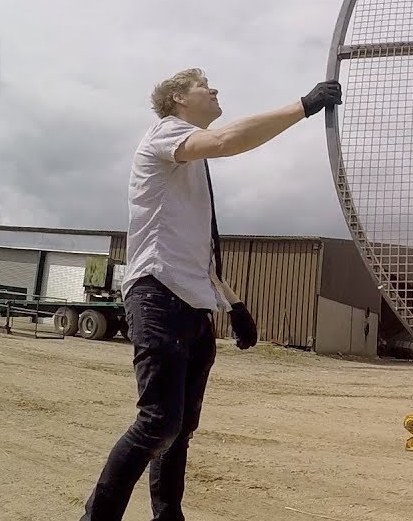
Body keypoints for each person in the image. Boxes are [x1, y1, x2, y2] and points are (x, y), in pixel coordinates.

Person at [79, 68, 342, 521]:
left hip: (192, 303)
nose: (216, 90)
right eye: (205, 86)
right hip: (157, 294)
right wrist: (303, 105)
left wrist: (234, 303)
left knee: (179, 430)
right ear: (179, 98)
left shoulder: (191, 168)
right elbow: (226, 141)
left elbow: (199, 250)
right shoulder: (164, 135)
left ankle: (168, 516)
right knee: (158, 421)